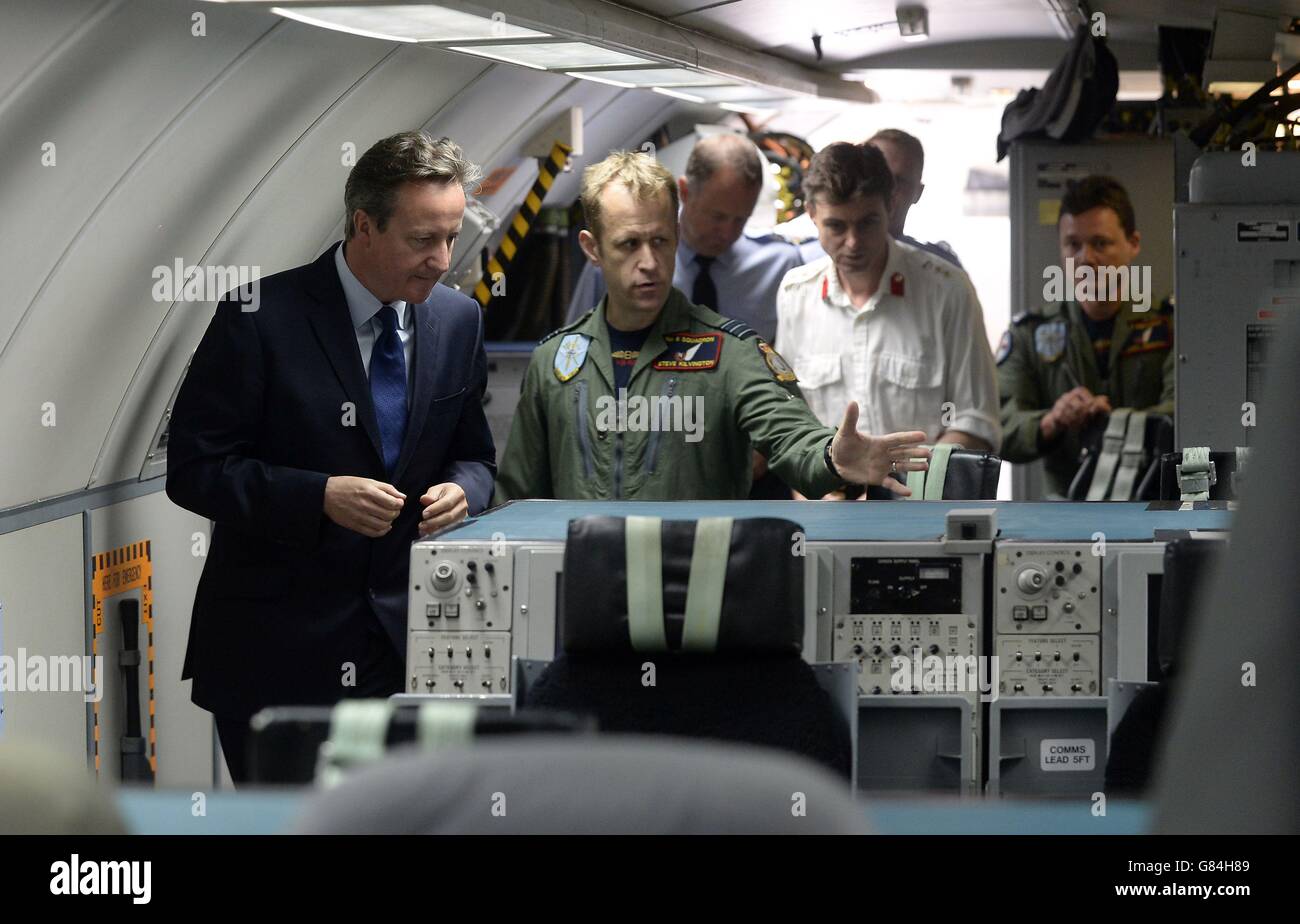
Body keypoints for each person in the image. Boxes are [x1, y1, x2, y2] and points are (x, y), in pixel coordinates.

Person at [166, 131, 496, 782]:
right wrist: (316, 496)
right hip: (280, 654)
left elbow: (478, 458)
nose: (441, 258)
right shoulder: (261, 317)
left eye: (452, 237)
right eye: (423, 239)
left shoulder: (458, 321)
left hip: (413, 647)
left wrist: (466, 491)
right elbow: (197, 470)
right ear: (364, 226)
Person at [493, 150, 930, 503]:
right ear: (592, 249)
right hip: (582, 596)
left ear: (676, 236)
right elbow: (517, 496)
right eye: (629, 244)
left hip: (694, 594)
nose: (648, 262)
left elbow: (792, 436)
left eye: (660, 241)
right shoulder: (555, 364)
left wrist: (831, 458)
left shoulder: (731, 354)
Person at [775, 142, 1000, 468]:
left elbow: (974, 420)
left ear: (891, 207)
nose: (852, 243)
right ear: (811, 214)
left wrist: (901, 484)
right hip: (826, 504)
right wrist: (816, 480)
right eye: (836, 226)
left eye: (867, 223)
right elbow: (790, 416)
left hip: (918, 504)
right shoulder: (796, 295)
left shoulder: (947, 291)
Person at [997, 175, 1174, 498]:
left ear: (1133, 243)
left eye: (1100, 243)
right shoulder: (1030, 332)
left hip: (1153, 511)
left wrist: (1117, 423)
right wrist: (1052, 421)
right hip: (1065, 519)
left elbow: (1191, 415)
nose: (1085, 259)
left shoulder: (1171, 325)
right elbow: (999, 428)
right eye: (1073, 245)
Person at [564, 133, 801, 343]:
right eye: (717, 216)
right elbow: (576, 348)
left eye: (740, 219)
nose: (728, 232)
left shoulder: (781, 267)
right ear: (685, 192)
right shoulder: (619, 258)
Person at [780, 128, 962, 268]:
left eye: (898, 182)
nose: (886, 189)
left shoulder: (940, 273)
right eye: (874, 178)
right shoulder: (801, 263)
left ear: (917, 193)